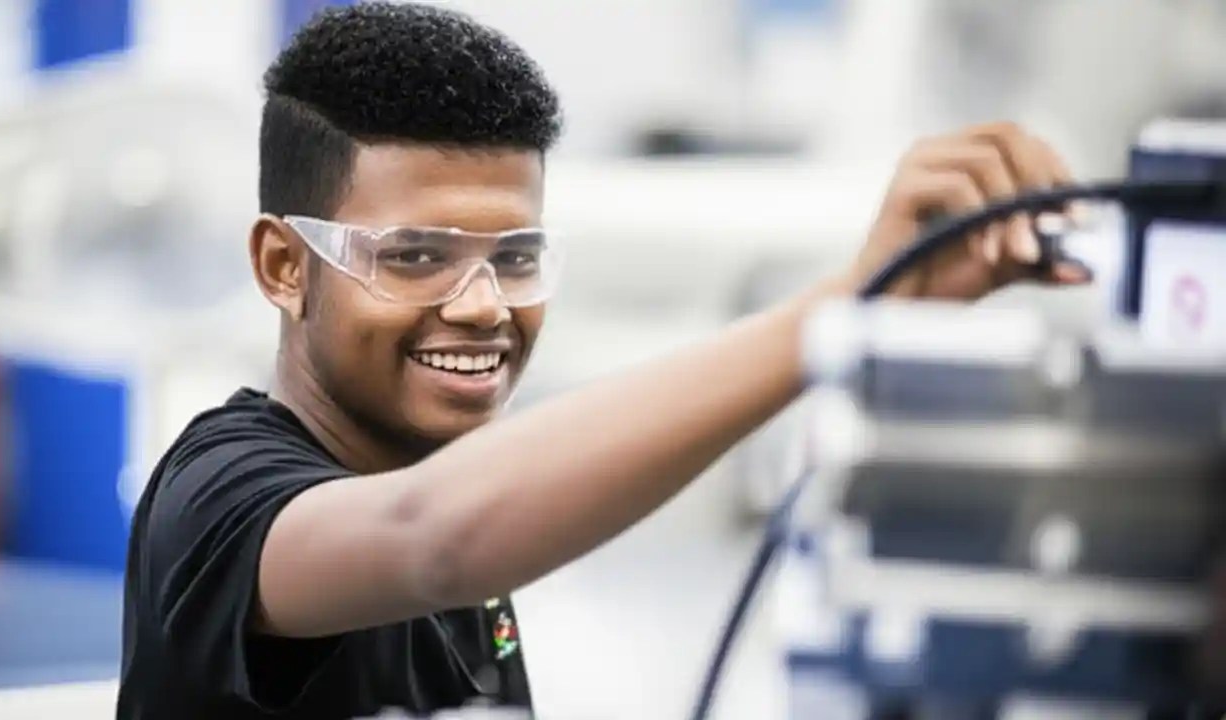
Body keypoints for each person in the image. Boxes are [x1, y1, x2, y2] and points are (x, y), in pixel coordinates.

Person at [116, 3, 1091, 719]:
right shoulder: (218, 492)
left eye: (516, 255)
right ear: (284, 267)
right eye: (414, 256)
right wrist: (844, 309)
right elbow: (433, 536)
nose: (482, 305)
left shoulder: (450, 516)